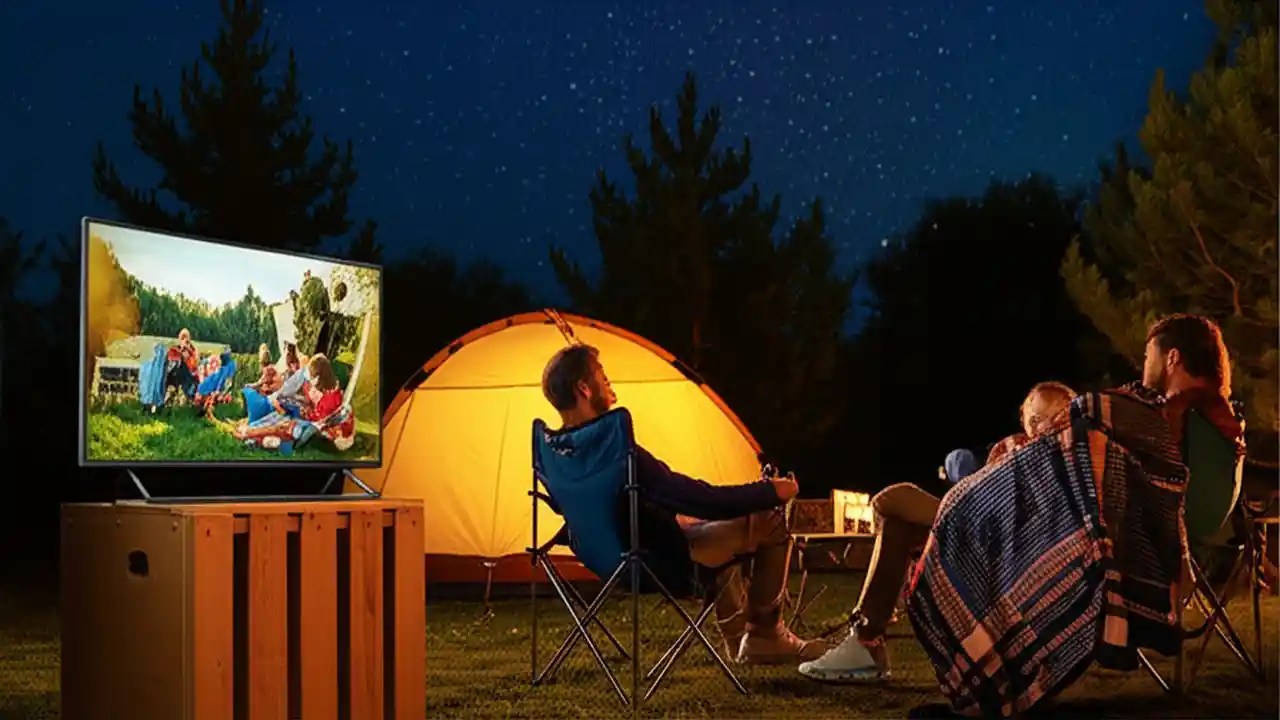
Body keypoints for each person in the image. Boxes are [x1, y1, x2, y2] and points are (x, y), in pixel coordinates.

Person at [540, 344, 825, 664]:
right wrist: (768, 492)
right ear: (584, 388)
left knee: (713, 530)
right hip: (660, 562)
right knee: (770, 522)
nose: (610, 386)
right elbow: (696, 498)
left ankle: (739, 644)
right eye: (603, 378)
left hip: (610, 561)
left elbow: (624, 510)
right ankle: (765, 637)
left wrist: (676, 519)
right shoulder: (614, 450)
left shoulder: (557, 455)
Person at [797, 381, 1077, 683]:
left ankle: (876, 621)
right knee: (897, 527)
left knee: (891, 499)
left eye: (1041, 416)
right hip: (980, 530)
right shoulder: (1066, 456)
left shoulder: (1045, 452)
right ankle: (867, 638)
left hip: (992, 538)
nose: (1035, 423)